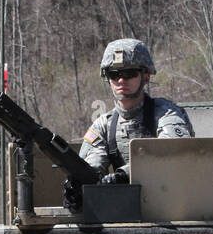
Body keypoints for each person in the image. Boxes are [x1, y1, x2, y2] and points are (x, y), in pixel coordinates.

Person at [65, 38, 193, 210]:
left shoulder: (165, 112)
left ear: (146, 76)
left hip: (171, 208)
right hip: (126, 210)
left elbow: (173, 152)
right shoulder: (104, 124)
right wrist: (80, 186)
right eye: (114, 74)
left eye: (130, 73)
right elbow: (93, 164)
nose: (121, 80)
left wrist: (124, 175)